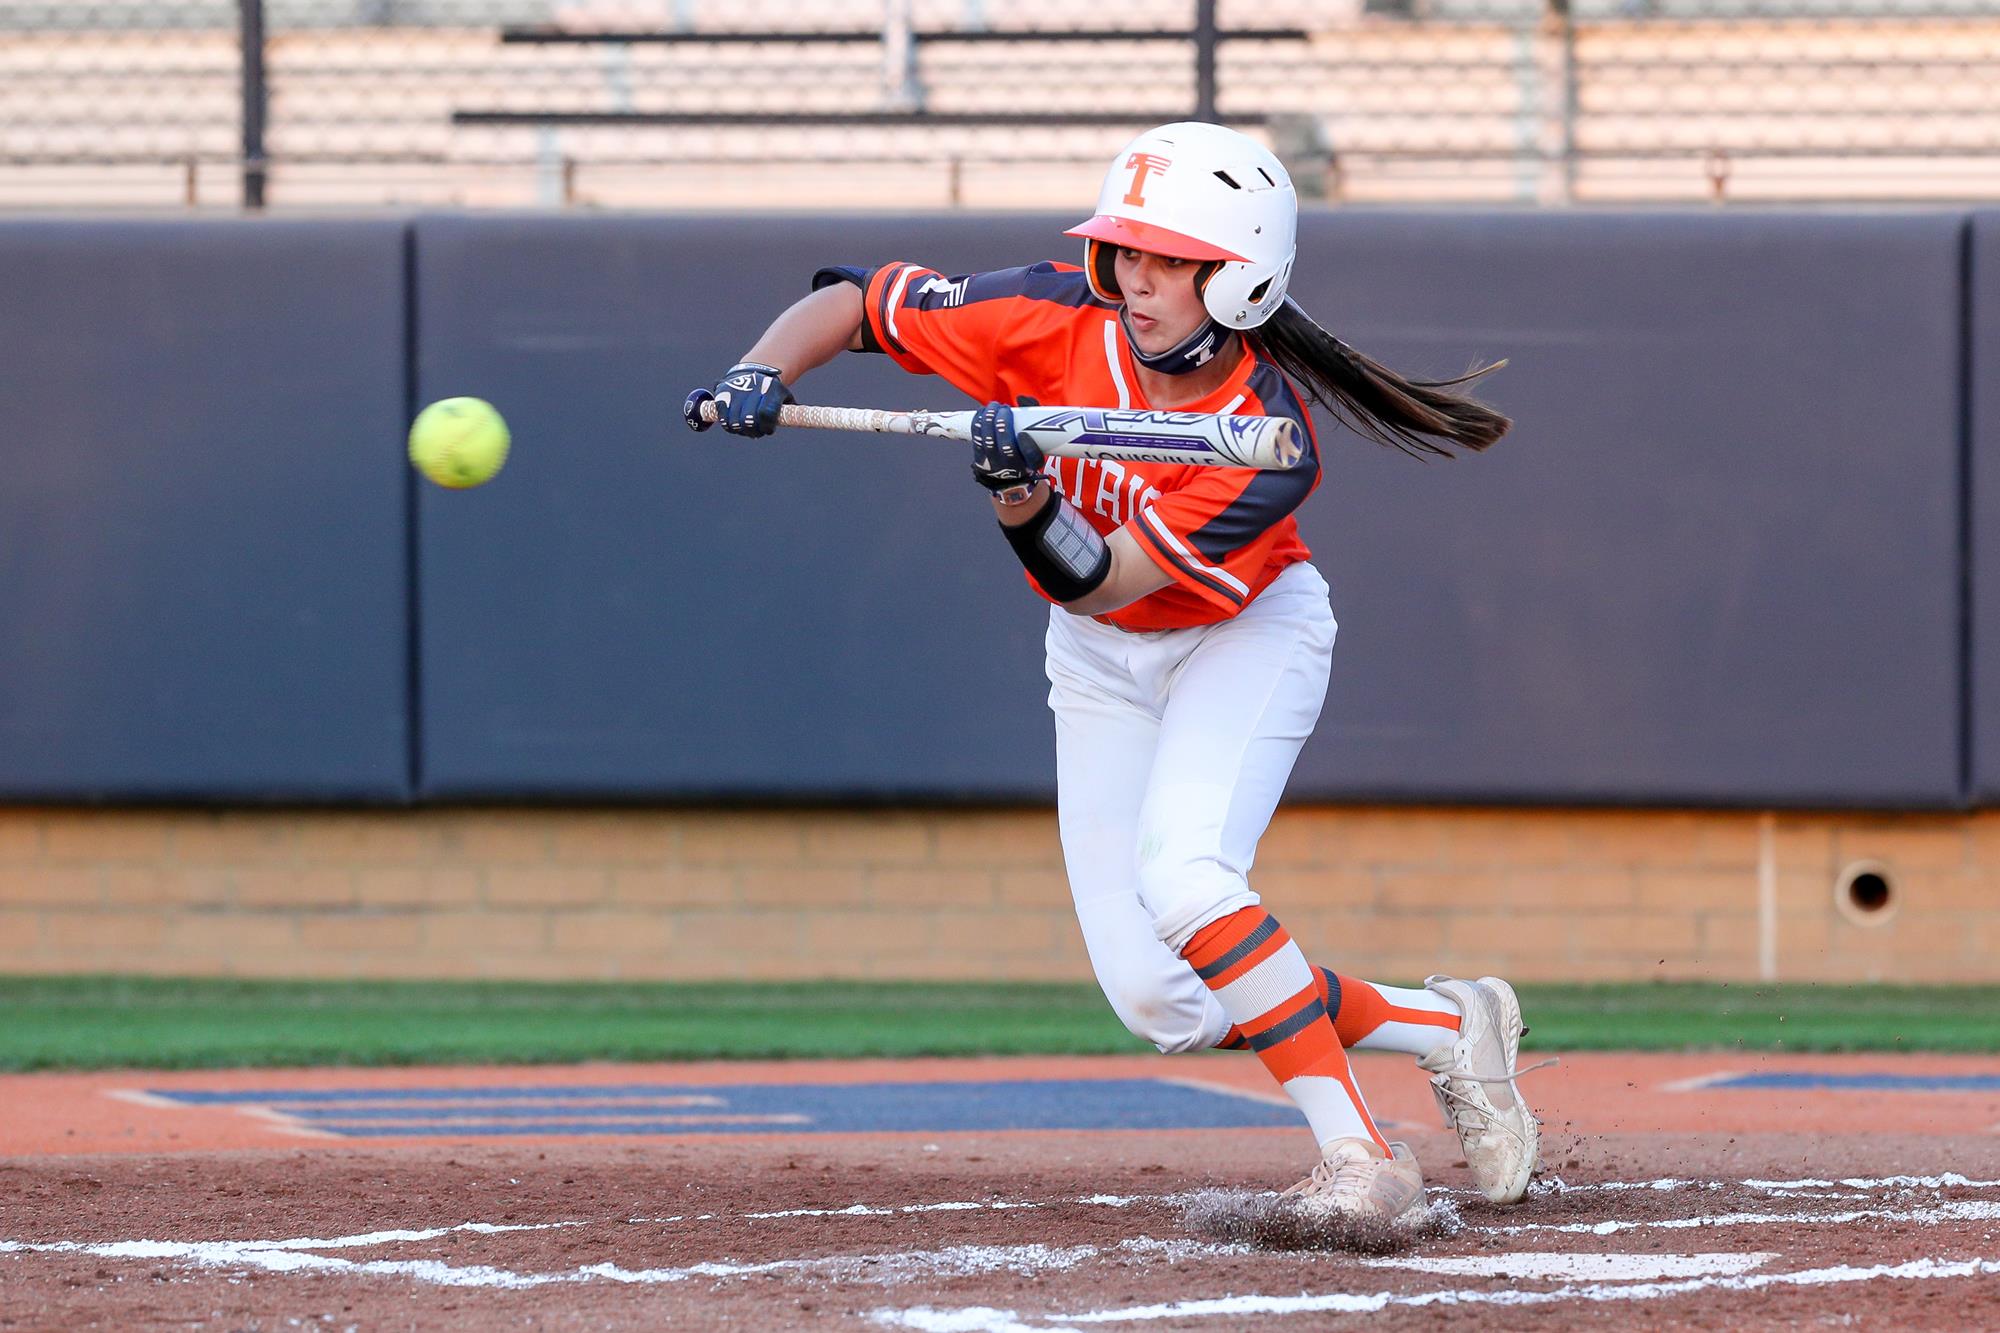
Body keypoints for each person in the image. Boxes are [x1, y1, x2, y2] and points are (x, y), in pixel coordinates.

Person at [692, 122, 1540, 1222]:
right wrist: (760, 368)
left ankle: (1358, 1156)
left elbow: (1102, 578)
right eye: (1125, 254)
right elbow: (852, 301)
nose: (1134, 280)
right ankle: (1441, 1026)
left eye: (1167, 260)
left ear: (1237, 279)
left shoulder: (1263, 435)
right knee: (1161, 999)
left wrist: (1019, 499)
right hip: (1097, 662)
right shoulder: (1049, 311)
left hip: (1240, 637)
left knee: (1187, 881)